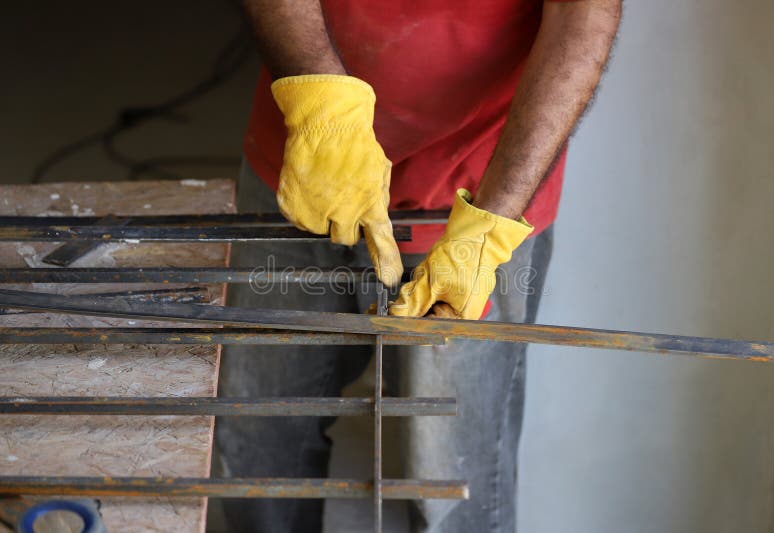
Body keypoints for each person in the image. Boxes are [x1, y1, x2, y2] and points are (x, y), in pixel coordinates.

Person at [214, 1, 621, 531]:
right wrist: (319, 101)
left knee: (452, 480)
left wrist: (490, 225)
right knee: (259, 444)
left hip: (481, 196)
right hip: (311, 162)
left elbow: (583, 15)